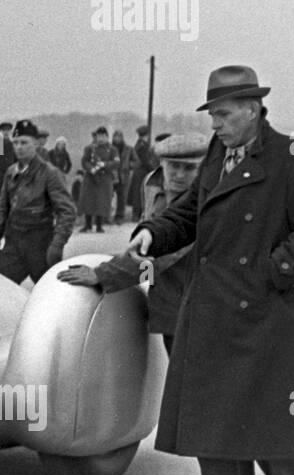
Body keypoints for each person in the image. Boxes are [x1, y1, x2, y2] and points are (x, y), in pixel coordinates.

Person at [128, 66, 294, 475]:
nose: (215, 125)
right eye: (213, 116)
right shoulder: (219, 156)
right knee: (210, 415)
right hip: (212, 308)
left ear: (252, 108)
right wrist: (153, 232)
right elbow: (188, 213)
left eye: (223, 115)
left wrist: (271, 272)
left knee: (265, 421)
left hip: (270, 314)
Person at [58, 133, 208, 353]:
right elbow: (145, 228)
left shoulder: (204, 197)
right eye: (173, 166)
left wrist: (104, 274)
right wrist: (142, 278)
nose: (179, 174)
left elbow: (163, 253)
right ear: (162, 163)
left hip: (194, 299)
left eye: (189, 168)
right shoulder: (152, 182)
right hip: (165, 292)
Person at [0, 119, 76, 284]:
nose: (19, 147)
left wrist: (57, 244)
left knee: (49, 295)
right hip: (13, 242)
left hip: (40, 243)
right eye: (16, 143)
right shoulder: (10, 172)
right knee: (1, 288)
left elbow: (67, 211)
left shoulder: (50, 173)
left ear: (35, 144)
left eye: (24, 142)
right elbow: (3, 208)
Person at [79, 126, 117, 232]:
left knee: (102, 201)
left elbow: (116, 162)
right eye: (99, 136)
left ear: (107, 137)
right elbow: (84, 160)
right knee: (88, 200)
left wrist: (105, 164)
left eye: (103, 136)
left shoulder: (112, 149)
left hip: (105, 178)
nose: (101, 138)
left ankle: (99, 225)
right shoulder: (89, 148)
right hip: (90, 178)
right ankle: (87, 224)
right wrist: (90, 169)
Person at [128, 124, 153, 220]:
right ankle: (136, 215)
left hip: (138, 172)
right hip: (142, 172)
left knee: (137, 193)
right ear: (146, 135)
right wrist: (154, 169)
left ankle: (136, 214)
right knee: (139, 194)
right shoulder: (144, 146)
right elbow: (146, 160)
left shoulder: (138, 144)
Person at [110, 128, 133, 223]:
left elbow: (137, 162)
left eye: (119, 137)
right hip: (111, 176)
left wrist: (128, 165)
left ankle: (119, 217)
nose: (117, 139)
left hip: (123, 176)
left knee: (121, 198)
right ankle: (104, 217)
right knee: (107, 197)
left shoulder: (129, 149)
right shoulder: (109, 148)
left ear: (122, 138)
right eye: (115, 136)